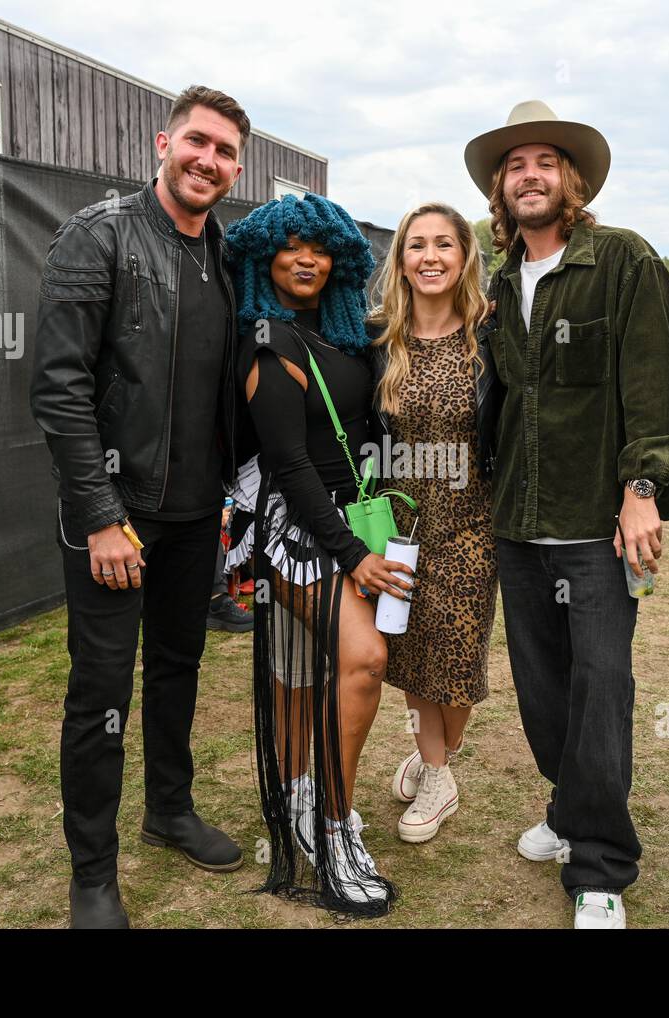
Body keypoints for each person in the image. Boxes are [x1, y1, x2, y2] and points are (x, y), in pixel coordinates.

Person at [463, 100, 669, 928]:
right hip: (517, 525)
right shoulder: (493, 285)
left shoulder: (622, 260)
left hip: (598, 526)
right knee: (541, 688)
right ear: (501, 187)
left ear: (573, 179)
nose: (530, 175)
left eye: (545, 162)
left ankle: (600, 865)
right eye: (515, 165)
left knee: (602, 689)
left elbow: (656, 390)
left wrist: (642, 491)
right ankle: (567, 811)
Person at [29, 85, 250, 929]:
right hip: (114, 514)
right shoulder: (98, 236)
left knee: (178, 668)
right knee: (99, 691)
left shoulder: (226, 258)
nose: (209, 160)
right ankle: (93, 872)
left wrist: (232, 497)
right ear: (164, 142)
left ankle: (170, 809)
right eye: (198, 141)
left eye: (226, 151)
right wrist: (96, 515)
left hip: (197, 514)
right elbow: (59, 389)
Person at [227, 193, 413, 917]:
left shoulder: (344, 338)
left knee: (299, 671)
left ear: (339, 259)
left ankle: (300, 793)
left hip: (356, 523)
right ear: (265, 256)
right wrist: (351, 555)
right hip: (300, 531)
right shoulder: (269, 339)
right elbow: (289, 463)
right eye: (291, 246)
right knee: (364, 658)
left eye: (320, 248)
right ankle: (334, 827)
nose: (306, 259)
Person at [368, 203, 500, 844]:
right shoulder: (377, 339)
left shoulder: (490, 340)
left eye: (443, 244)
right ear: (400, 259)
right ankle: (440, 772)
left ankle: (432, 762)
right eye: (416, 244)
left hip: (474, 521)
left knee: (459, 655)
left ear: (464, 255)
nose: (429, 256)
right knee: (415, 651)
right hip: (401, 526)